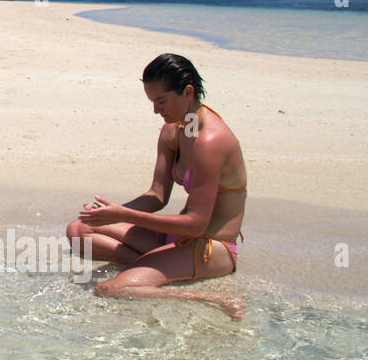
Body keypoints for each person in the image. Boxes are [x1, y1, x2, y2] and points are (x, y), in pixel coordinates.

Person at [66, 53, 247, 318]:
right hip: (178, 237)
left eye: (161, 101)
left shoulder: (210, 141)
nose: (155, 110)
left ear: (187, 92)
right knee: (79, 230)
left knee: (111, 288)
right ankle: (154, 266)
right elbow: (157, 195)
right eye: (152, 102)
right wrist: (108, 214)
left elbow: (197, 223)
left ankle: (215, 300)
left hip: (211, 246)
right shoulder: (174, 130)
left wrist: (122, 216)